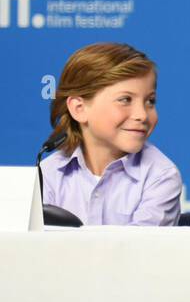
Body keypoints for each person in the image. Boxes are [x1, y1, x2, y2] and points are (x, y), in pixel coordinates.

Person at [40, 42, 182, 226]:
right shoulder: (48, 174)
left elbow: (139, 252)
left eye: (150, 101)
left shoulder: (161, 176)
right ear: (79, 109)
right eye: (125, 100)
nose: (142, 115)